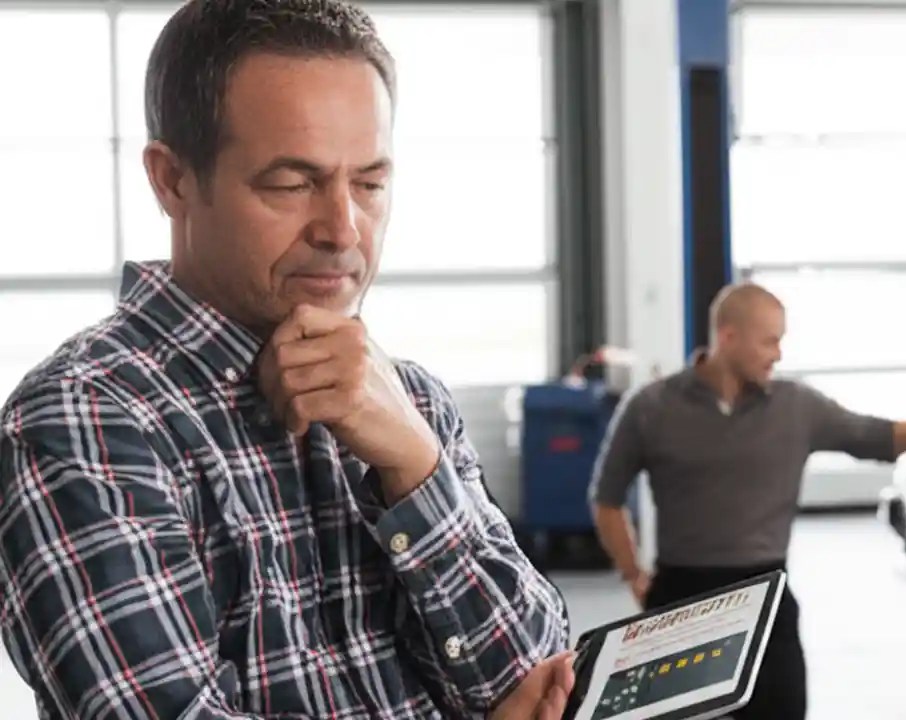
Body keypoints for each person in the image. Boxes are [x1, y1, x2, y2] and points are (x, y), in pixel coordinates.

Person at [0, 2, 573, 718]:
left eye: (369, 184)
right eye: (292, 184)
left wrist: (418, 472)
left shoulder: (409, 401)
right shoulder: (85, 420)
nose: (342, 230)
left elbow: (543, 679)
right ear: (172, 180)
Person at [589, 282, 906, 720]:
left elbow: (877, 436)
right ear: (728, 336)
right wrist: (633, 574)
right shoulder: (651, 406)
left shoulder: (797, 406)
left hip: (765, 597)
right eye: (770, 340)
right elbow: (607, 497)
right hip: (678, 599)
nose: (778, 354)